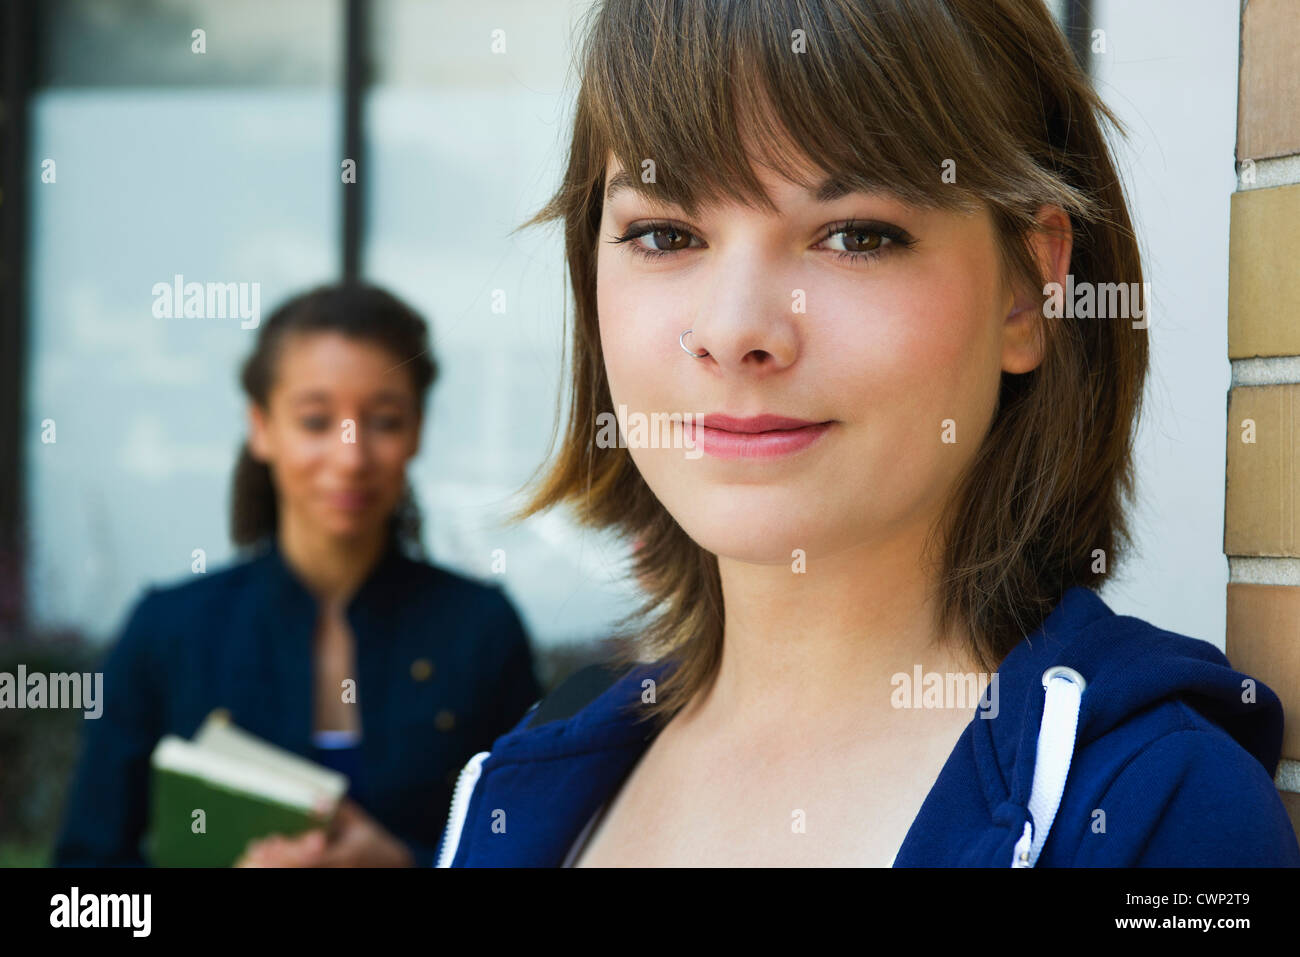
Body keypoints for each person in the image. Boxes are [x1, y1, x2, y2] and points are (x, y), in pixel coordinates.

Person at [433, 0, 1300, 867]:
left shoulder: (1160, 811)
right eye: (665, 234)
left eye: (853, 236)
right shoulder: (518, 786)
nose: (736, 329)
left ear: (1030, 288)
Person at [54, 282, 540, 867]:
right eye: (315, 421)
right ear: (262, 427)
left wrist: (402, 865)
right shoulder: (168, 632)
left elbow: (537, 849)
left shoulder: (479, 630)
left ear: (416, 431)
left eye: (385, 421)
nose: (350, 457)